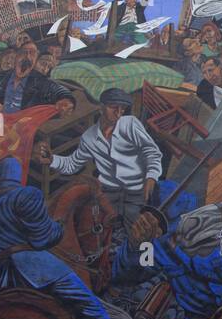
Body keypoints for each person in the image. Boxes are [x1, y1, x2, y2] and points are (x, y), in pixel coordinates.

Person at [0, 156, 110, 319]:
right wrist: (59, 227)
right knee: (98, 316)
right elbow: (44, 239)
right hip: (35, 267)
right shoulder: (27, 196)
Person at [38, 87, 163, 231]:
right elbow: (72, 164)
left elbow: (151, 151)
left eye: (122, 109)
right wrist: (52, 159)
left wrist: (151, 176)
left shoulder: (130, 124)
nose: (118, 113)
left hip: (136, 189)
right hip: (109, 192)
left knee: (136, 228)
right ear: (101, 108)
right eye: (113, 107)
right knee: (93, 225)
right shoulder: (89, 137)